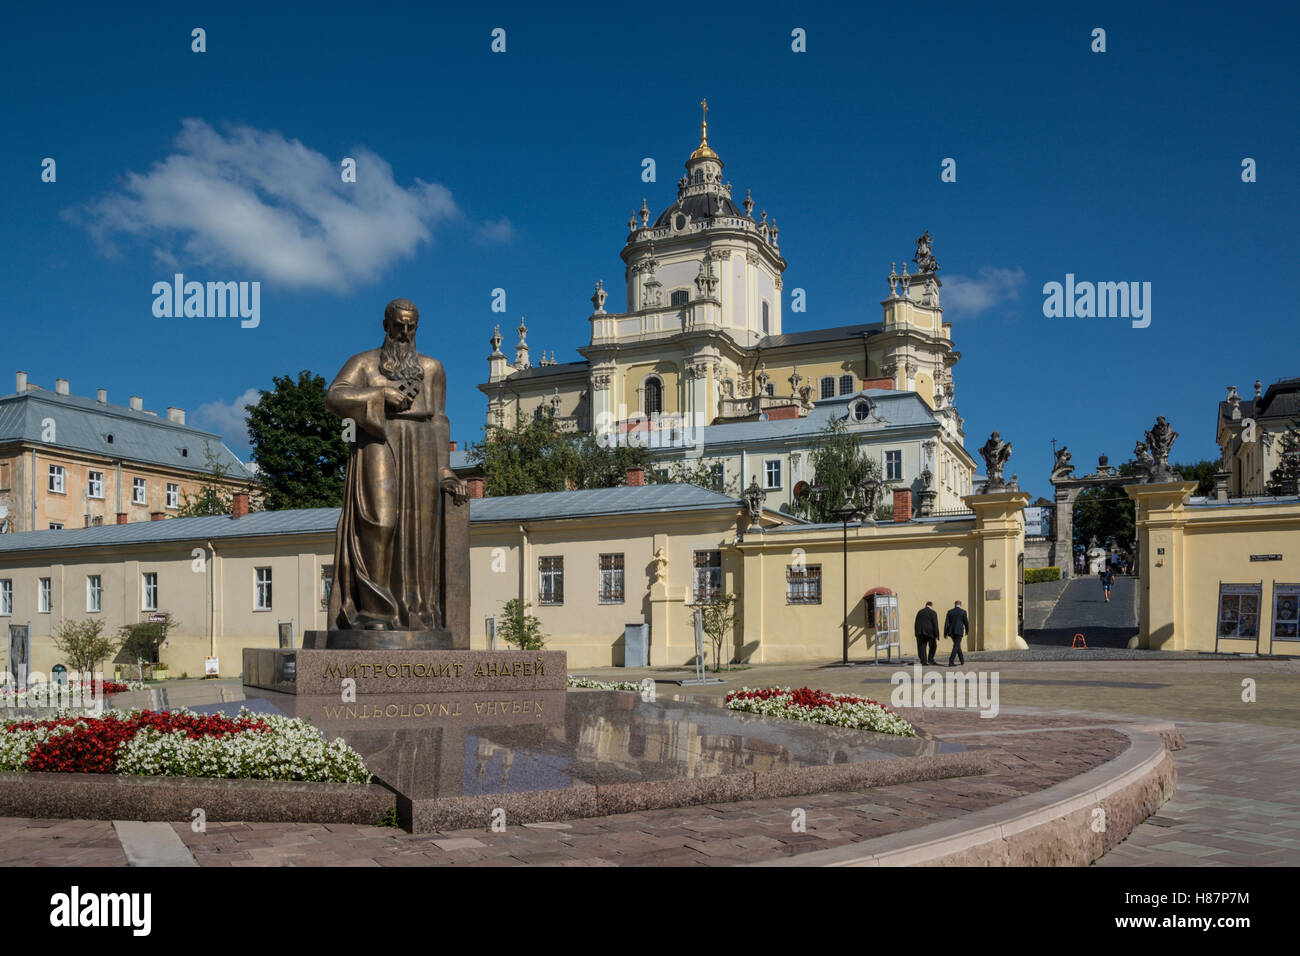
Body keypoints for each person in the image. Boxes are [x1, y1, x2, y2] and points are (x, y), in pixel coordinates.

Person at [944, 600, 969, 666]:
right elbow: (966, 622)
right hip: (959, 631)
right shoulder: (963, 612)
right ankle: (951, 661)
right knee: (956, 646)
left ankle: (962, 660)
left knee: (957, 645)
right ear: (960, 604)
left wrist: (945, 633)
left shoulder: (950, 612)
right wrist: (967, 631)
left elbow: (946, 623)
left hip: (951, 632)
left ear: (955, 604)